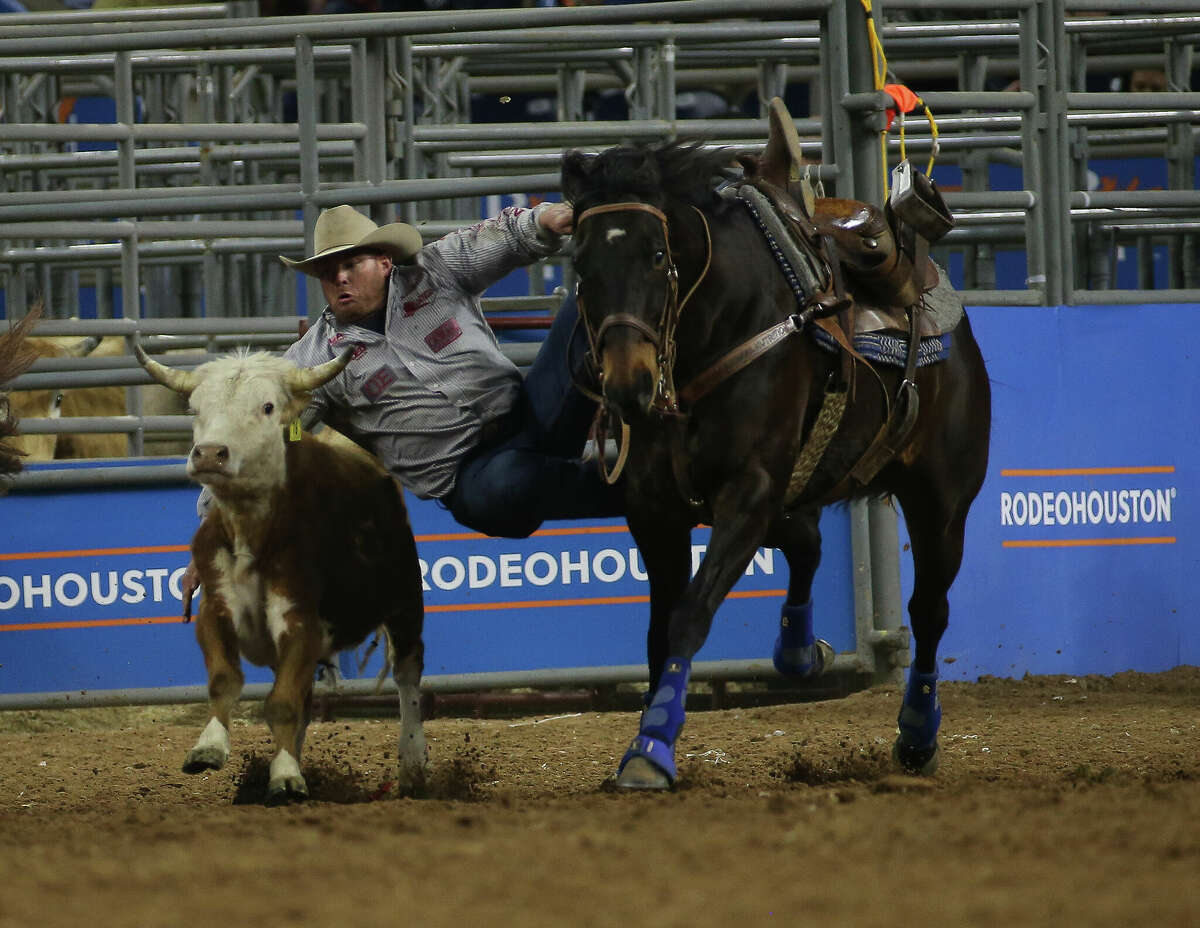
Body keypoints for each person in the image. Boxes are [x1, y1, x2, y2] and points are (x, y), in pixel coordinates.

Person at [271, 202, 622, 538]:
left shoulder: (433, 271)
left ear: (384, 262)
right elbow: (282, 429)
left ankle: (652, 404)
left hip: (533, 413)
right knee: (507, 485)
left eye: (351, 264)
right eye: (328, 273)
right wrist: (298, 441)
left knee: (593, 294)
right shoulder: (313, 358)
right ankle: (634, 490)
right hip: (470, 476)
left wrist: (544, 219)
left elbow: (503, 236)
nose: (340, 278)